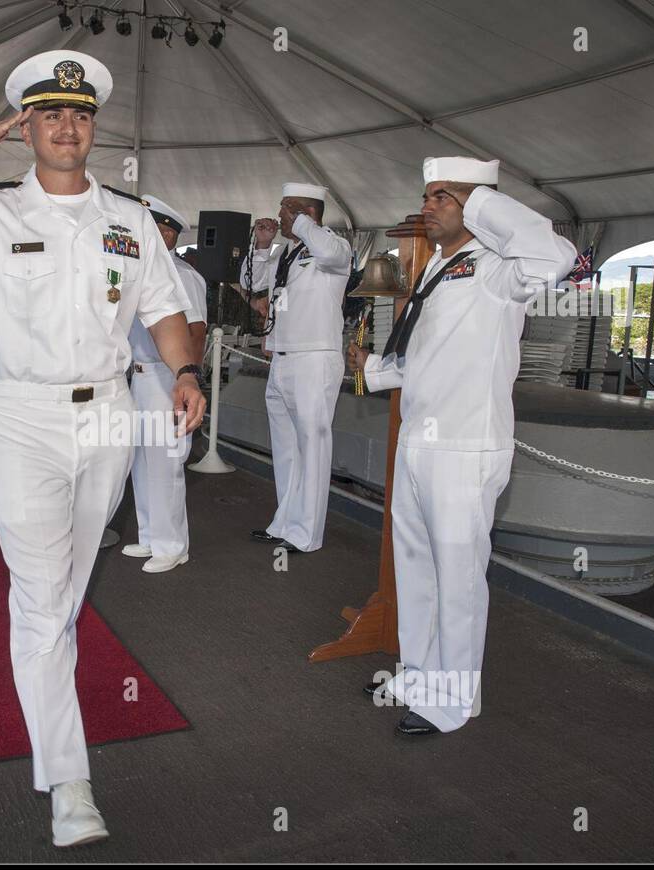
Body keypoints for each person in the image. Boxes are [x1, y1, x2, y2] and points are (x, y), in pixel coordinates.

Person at [0, 51, 206, 847]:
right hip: (23, 420)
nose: (68, 127)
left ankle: (57, 756)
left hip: (108, 417)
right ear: (26, 127)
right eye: (51, 115)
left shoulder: (127, 219)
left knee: (61, 598)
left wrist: (187, 368)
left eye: (82, 114)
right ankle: (68, 779)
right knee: (40, 599)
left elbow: (163, 309)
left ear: (94, 125)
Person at [347, 156, 577, 736]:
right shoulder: (438, 267)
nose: (428, 206)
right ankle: (422, 676)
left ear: (476, 204)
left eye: (441, 197)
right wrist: (373, 370)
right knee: (416, 569)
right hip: (420, 440)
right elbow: (428, 356)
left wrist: (477, 201)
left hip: (465, 446)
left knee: (458, 577)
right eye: (427, 196)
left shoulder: (502, 268)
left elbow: (559, 257)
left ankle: (453, 700)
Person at [239, 183, 354, 554]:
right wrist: (260, 244)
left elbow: (331, 254)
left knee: (312, 448)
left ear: (307, 212)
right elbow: (254, 283)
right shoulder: (288, 254)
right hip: (282, 359)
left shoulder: (333, 247)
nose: (280, 215)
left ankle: (307, 534)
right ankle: (285, 523)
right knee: (286, 448)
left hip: (314, 359)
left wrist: (302, 223)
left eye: (287, 209)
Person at [120, 194, 207, 573]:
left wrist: (188, 379)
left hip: (167, 377)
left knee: (166, 464)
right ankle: (149, 535)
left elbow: (197, 331)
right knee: (140, 461)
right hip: (137, 376)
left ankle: (173, 545)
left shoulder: (184, 275)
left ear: (168, 234)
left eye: (154, 228)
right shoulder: (138, 270)